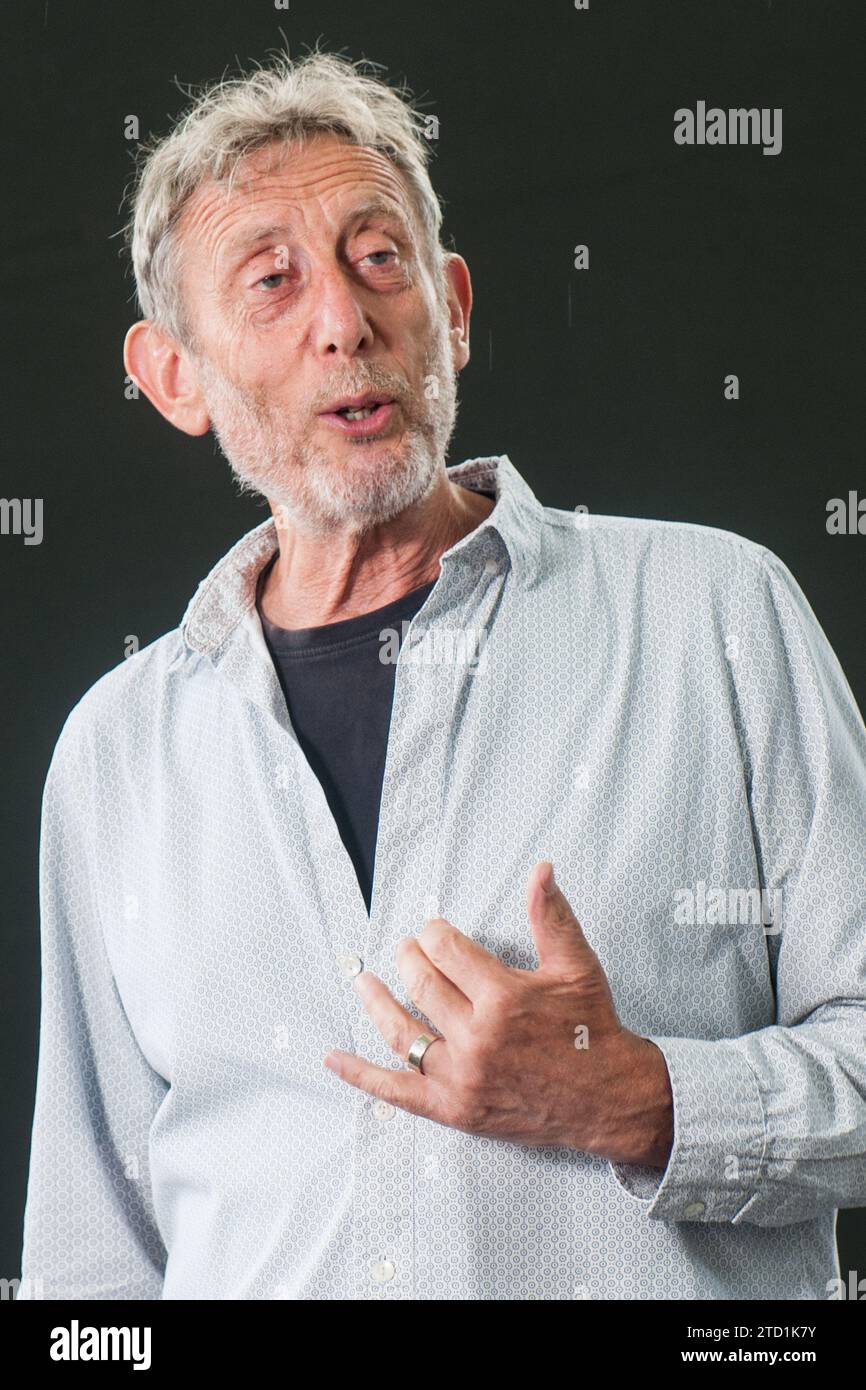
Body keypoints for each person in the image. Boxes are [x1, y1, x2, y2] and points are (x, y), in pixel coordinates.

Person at [19, 48, 866, 1301]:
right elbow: (94, 1261)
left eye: (378, 259)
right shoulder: (116, 754)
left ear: (450, 306)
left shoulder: (714, 615)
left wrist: (644, 1097)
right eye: (271, 280)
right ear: (173, 376)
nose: (344, 322)